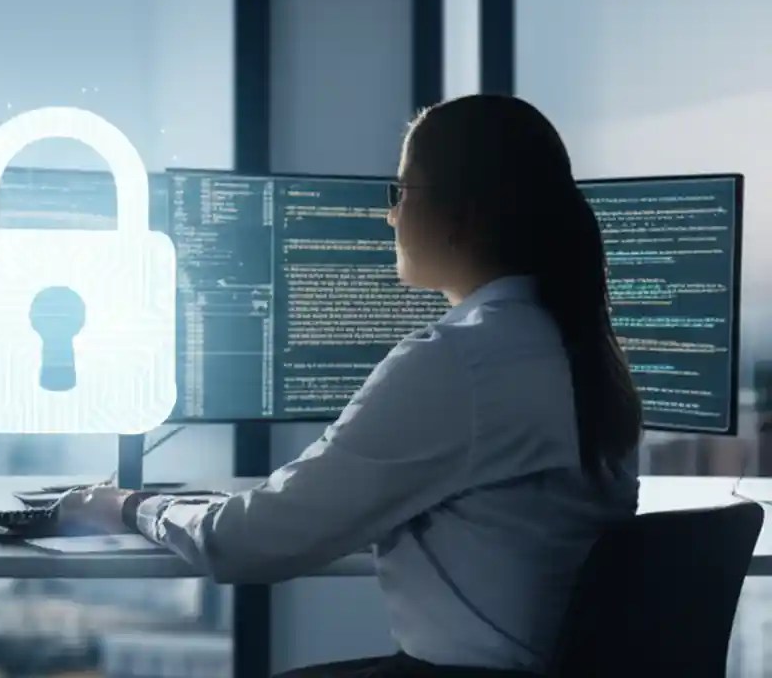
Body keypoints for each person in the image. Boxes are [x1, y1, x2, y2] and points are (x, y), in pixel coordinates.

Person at [55, 94, 643, 677]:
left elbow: (246, 543)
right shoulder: (573, 346)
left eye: (401, 192)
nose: (389, 214)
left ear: (460, 215)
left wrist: (130, 506)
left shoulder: (457, 363)